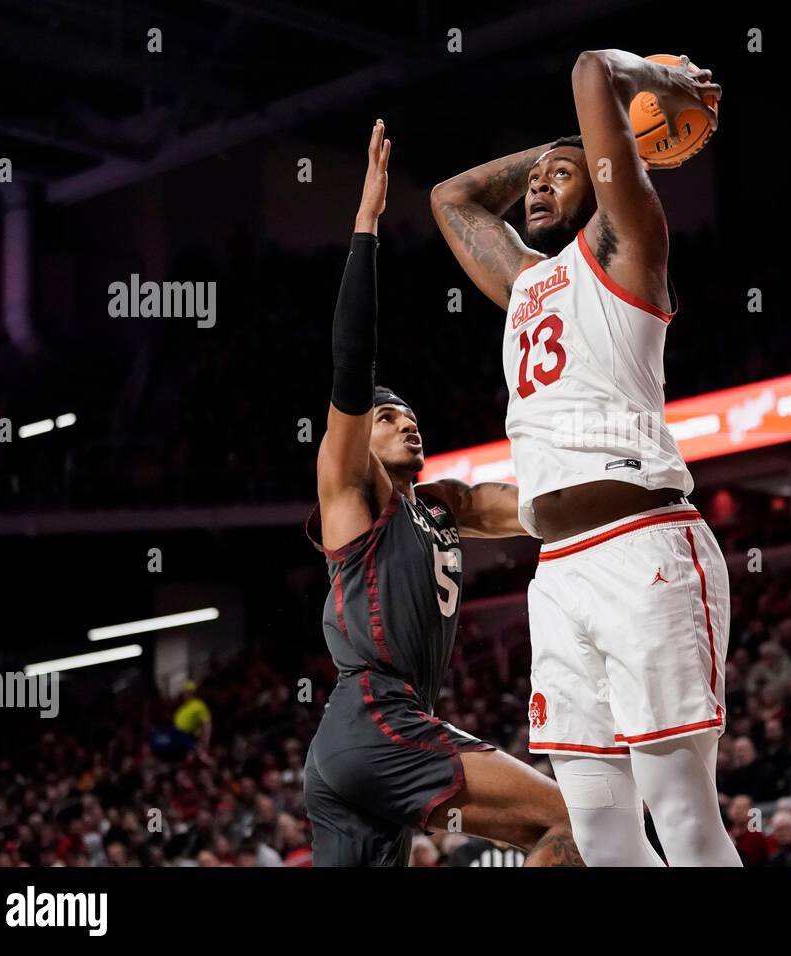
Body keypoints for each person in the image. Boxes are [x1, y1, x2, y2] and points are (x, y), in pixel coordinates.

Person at [431, 50, 735, 866]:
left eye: (561, 175)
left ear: (605, 184)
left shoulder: (629, 244)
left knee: (681, 811)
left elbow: (589, 69)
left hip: (645, 549)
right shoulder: (525, 283)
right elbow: (451, 198)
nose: (536, 186)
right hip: (558, 573)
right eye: (533, 178)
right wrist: (545, 159)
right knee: (598, 827)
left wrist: (654, 86)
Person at [302, 122, 581, 867]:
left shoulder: (441, 505)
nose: (407, 426)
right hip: (375, 720)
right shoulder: (352, 493)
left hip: (354, 753)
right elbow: (351, 363)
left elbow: (536, 506)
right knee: (570, 825)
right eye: (390, 419)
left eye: (413, 418)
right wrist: (366, 223)